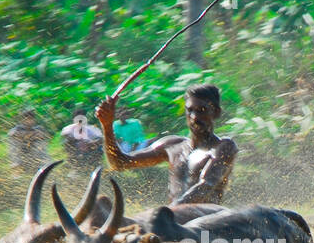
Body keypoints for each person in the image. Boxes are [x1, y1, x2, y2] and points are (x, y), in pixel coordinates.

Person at [97, 84, 236, 205]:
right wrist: (107, 125)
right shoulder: (172, 146)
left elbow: (206, 186)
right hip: (173, 224)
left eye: (201, 111)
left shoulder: (223, 147)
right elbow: (119, 163)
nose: (194, 117)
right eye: (190, 110)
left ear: (216, 113)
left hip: (204, 225)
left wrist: (165, 214)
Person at [61, 109, 104, 173]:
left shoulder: (91, 129)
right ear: (74, 119)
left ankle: (95, 167)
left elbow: (101, 139)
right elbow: (66, 136)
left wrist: (91, 143)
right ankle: (74, 166)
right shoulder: (68, 129)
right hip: (75, 153)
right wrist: (78, 140)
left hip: (90, 152)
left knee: (99, 146)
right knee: (68, 142)